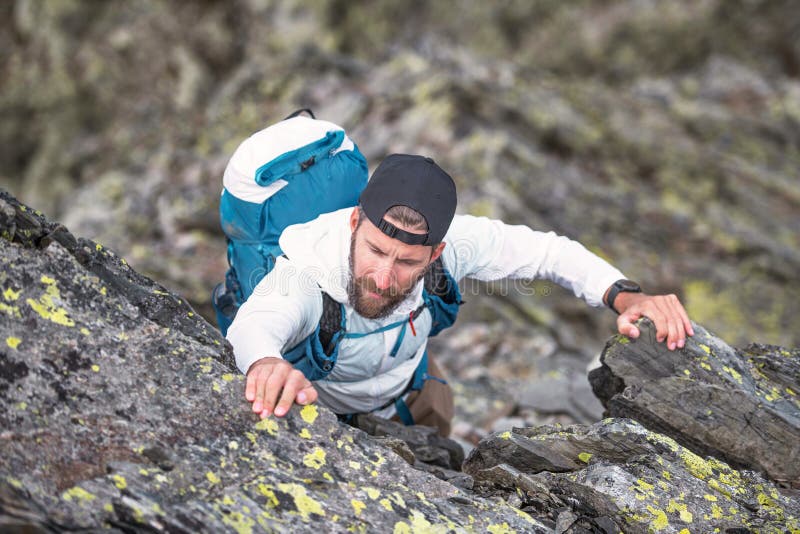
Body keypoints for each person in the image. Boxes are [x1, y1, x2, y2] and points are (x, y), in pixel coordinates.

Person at [226, 154, 694, 436]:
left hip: (415, 393)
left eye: (409, 262)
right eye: (375, 250)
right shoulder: (306, 271)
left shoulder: (459, 248)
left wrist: (626, 295)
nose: (385, 278)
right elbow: (258, 320)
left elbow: (549, 253)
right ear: (354, 222)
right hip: (324, 415)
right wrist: (265, 363)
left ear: (437, 253)